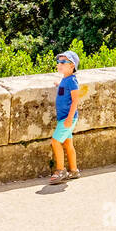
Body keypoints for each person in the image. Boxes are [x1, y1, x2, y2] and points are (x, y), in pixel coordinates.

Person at [48, 50, 84, 184]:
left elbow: (75, 100)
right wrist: (59, 86)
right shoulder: (65, 79)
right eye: (59, 62)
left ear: (72, 66)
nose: (60, 64)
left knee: (55, 141)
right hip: (64, 118)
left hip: (67, 118)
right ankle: (74, 170)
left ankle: (60, 170)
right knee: (68, 143)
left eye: (64, 62)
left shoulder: (72, 81)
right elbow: (64, 92)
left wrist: (69, 118)